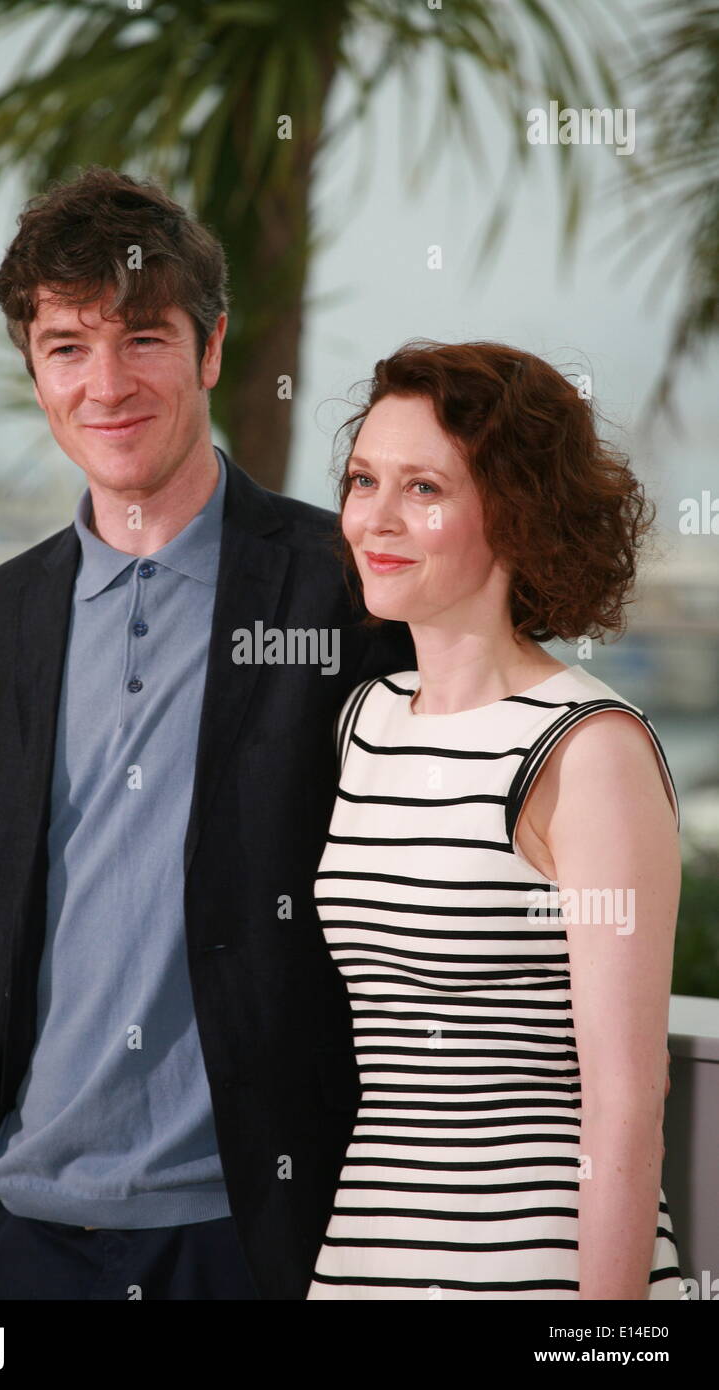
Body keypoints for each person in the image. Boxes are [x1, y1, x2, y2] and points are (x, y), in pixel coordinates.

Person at [0, 166, 414, 1300]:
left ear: (211, 349)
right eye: (67, 346)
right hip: (4, 1242)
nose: (106, 383)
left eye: (142, 338)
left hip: (250, 1235)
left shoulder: (347, 595)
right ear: (33, 371)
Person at [306, 340, 686, 1300]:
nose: (375, 520)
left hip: (533, 1276)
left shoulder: (587, 749)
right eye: (363, 480)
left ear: (518, 514)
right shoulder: (366, 721)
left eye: (424, 488)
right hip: (361, 1263)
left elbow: (626, 1105)